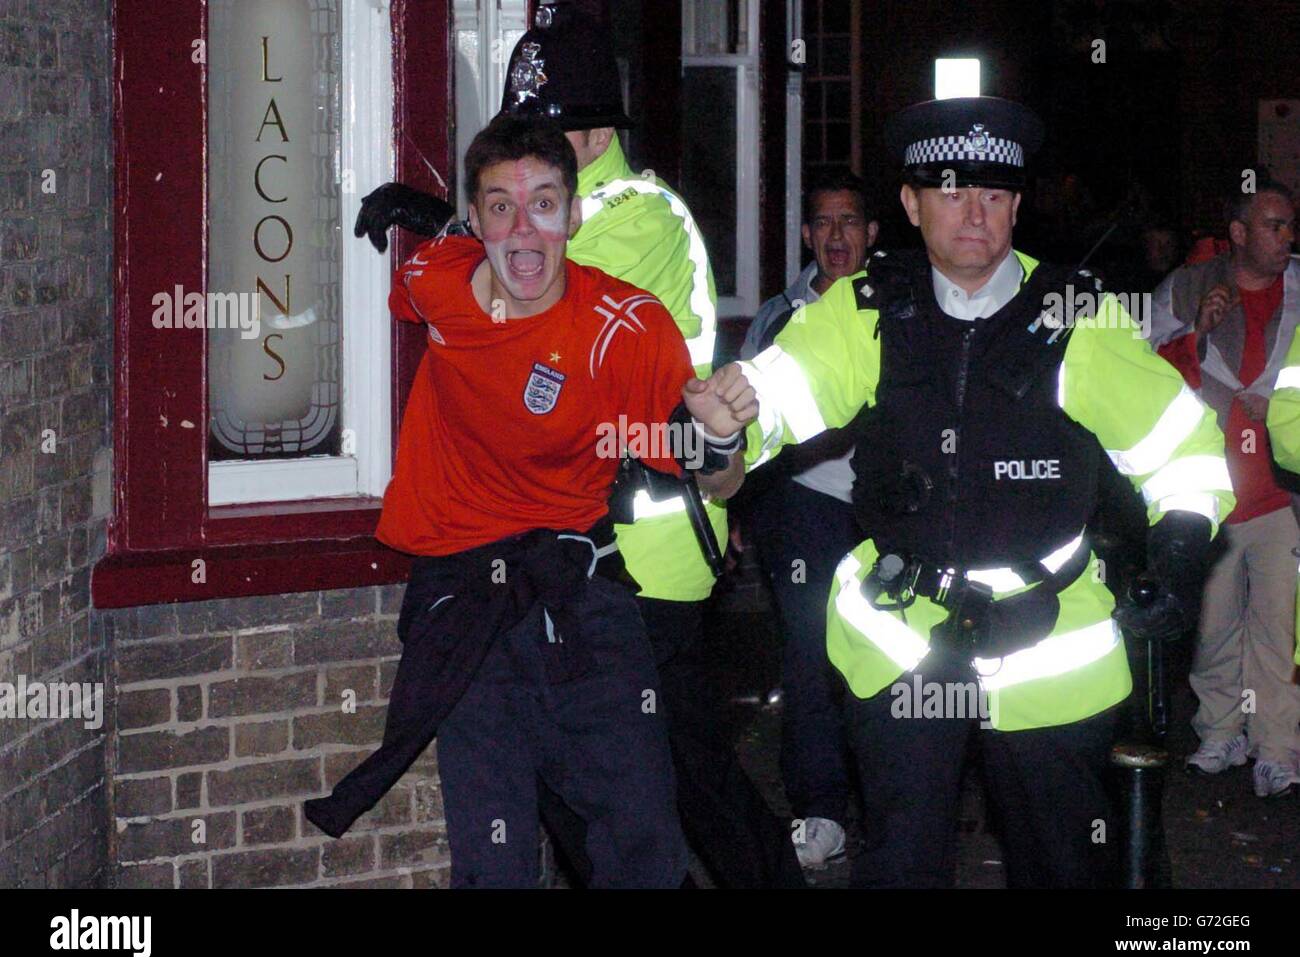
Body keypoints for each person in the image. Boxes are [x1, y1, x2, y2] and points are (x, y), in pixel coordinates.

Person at [727, 96, 1234, 887]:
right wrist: (731, 413)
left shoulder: (1074, 315)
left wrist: (1176, 549)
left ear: (1017, 206)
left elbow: (1187, 447)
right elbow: (784, 387)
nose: (975, 214)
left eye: (994, 195)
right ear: (910, 202)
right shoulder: (866, 305)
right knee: (900, 862)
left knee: (1066, 864)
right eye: (954, 191)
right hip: (903, 645)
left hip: (1050, 645)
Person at [350, 3, 803, 887]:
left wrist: (451, 228)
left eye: (546, 130)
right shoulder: (573, 211)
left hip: (649, 546)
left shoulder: (640, 219)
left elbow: (534, 294)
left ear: (591, 134)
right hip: (573, 544)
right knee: (606, 790)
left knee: (674, 783)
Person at [735, 169, 879, 867]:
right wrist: (739, 504)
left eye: (850, 221)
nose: (836, 236)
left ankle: (895, 796)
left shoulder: (898, 306)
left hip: (887, 512)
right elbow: (743, 419)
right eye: (823, 223)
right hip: (806, 506)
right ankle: (819, 808)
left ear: (873, 233)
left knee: (891, 659)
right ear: (806, 235)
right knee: (809, 650)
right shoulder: (779, 315)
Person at [1146, 174, 1300, 796]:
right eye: (1273, 225)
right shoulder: (1186, 287)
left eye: (1290, 225)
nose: (1286, 236)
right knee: (1212, 627)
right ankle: (1219, 729)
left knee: (1278, 627)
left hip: (1280, 495)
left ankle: (1277, 746)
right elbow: (1142, 375)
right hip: (1207, 495)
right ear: (1238, 233)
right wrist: (1196, 334)